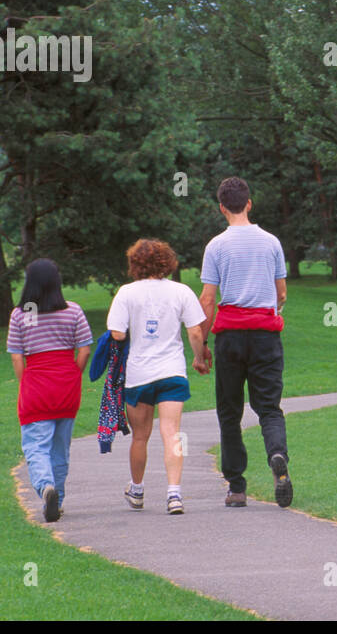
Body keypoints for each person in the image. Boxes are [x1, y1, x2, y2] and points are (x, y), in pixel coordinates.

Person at [198, 177, 292, 508]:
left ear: (222, 207)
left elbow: (208, 299)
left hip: (230, 336)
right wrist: (273, 309)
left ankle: (237, 486)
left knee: (229, 410)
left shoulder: (216, 246)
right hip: (265, 334)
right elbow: (281, 292)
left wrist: (203, 343)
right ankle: (277, 455)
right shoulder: (271, 242)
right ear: (249, 203)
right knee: (268, 407)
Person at [106, 239, 209, 515]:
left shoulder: (126, 293)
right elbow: (196, 332)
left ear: (135, 264)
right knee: (171, 434)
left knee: (140, 437)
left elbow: (117, 333)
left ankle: (137, 490)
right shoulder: (181, 291)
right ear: (167, 262)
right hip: (172, 372)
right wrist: (199, 358)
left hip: (139, 374)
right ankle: (174, 495)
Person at [7, 258, 92, 523]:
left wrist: (27, 381)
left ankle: (46, 488)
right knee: (59, 448)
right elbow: (85, 348)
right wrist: (73, 373)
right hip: (66, 385)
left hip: (36, 385)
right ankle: (59, 500)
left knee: (36, 445)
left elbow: (18, 357)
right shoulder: (73, 311)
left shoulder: (24, 314)